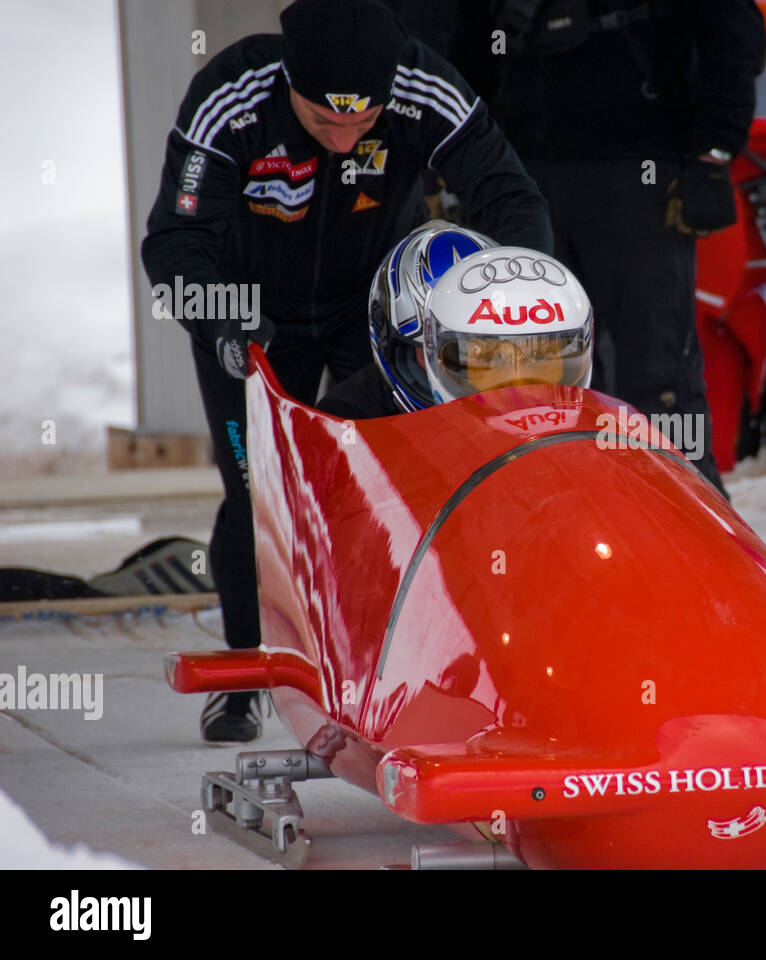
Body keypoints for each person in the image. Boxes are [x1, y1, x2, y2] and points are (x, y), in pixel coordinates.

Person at [140, 0, 553, 742]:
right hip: (247, 316)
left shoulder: (425, 85)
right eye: (323, 122)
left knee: (395, 478)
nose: (343, 137)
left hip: (371, 310)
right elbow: (174, 241)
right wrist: (219, 321)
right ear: (289, 86)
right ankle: (247, 670)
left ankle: (399, 656)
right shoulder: (231, 97)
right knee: (259, 488)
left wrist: (509, 295)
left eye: (362, 123)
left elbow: (509, 196)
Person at [384, 0, 766, 494]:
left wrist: (714, 153)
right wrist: (440, 159)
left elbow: (732, 32)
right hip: (518, 176)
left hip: (639, 171)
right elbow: (459, 34)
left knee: (659, 377)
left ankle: (690, 512)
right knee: (530, 367)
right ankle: (561, 515)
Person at [319, 220, 593, 419]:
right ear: (397, 345)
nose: (510, 381)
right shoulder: (347, 417)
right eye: (473, 358)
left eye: (534, 356)